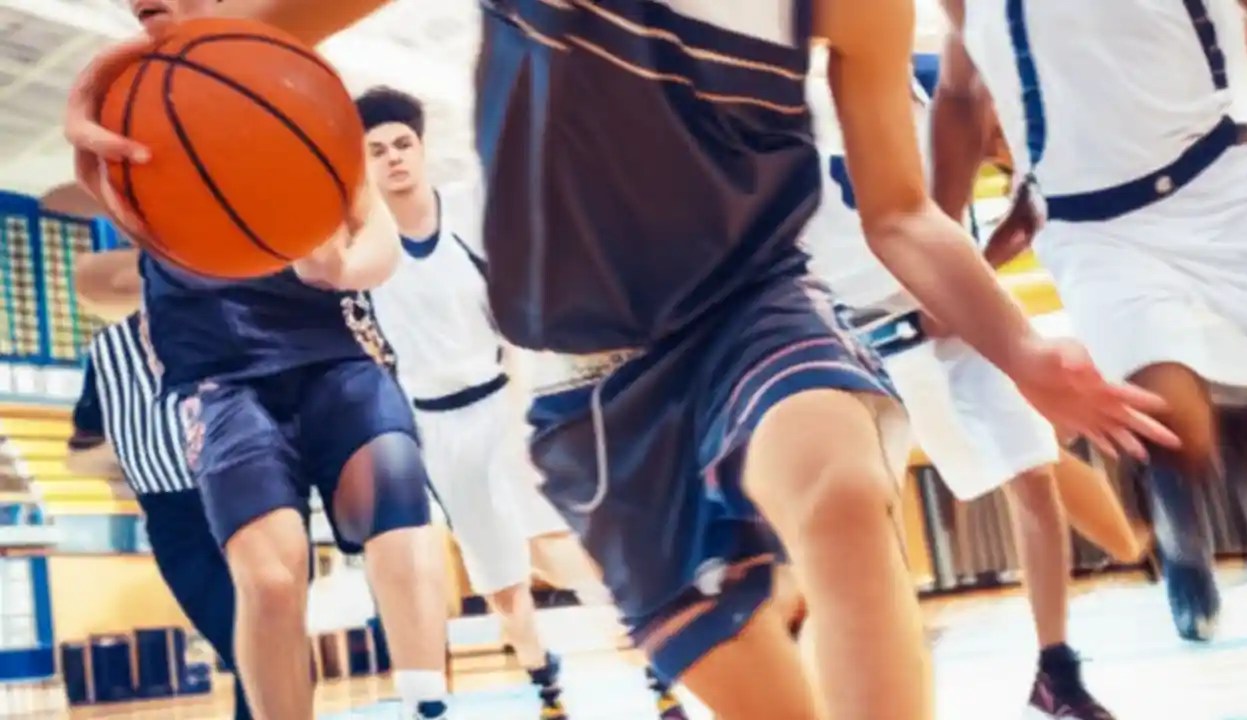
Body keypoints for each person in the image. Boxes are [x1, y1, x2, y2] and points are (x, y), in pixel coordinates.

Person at [67, 1, 1177, 717]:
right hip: (586, 378)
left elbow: (901, 212)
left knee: (841, 497)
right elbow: (250, 36)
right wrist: (115, 95)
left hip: (754, 302)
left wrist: (1023, 349)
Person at [70, 3, 454, 719]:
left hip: (334, 358)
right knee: (272, 580)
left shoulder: (294, 89)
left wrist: (342, 267)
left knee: (397, 512)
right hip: (222, 381)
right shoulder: (133, 118)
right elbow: (91, 277)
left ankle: (428, 702)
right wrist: (99, 88)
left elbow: (375, 236)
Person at [931, 0, 1247, 644]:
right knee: (1171, 418)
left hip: (1227, 182)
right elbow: (957, 93)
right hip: (1092, 227)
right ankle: (1180, 540)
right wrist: (942, 236)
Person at [805, 72, 1145, 718]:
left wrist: (974, 273)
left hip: (953, 315)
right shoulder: (773, 85)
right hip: (853, 332)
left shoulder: (930, 81)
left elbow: (1018, 178)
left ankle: (1057, 669)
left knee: (1034, 474)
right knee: (861, 521)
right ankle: (874, 684)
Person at [356, 84, 689, 720]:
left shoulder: (469, 214)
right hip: (433, 428)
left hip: (502, 404)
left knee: (554, 546)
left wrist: (519, 408)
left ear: (421, 149)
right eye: (377, 150)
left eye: (402, 144)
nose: (393, 157)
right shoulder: (362, 247)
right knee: (501, 585)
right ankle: (546, 684)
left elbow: (518, 317)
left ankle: (656, 667)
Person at [68, 312, 253, 720]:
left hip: (245, 496)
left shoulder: (229, 316)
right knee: (243, 643)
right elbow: (78, 458)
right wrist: (132, 451)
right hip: (174, 519)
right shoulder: (107, 351)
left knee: (260, 643)